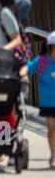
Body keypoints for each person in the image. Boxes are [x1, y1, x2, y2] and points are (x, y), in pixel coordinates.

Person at [25, 31, 55, 168]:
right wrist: (19, 73)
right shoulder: (42, 61)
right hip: (48, 102)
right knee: (51, 129)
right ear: (52, 46)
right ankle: (53, 155)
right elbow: (27, 69)